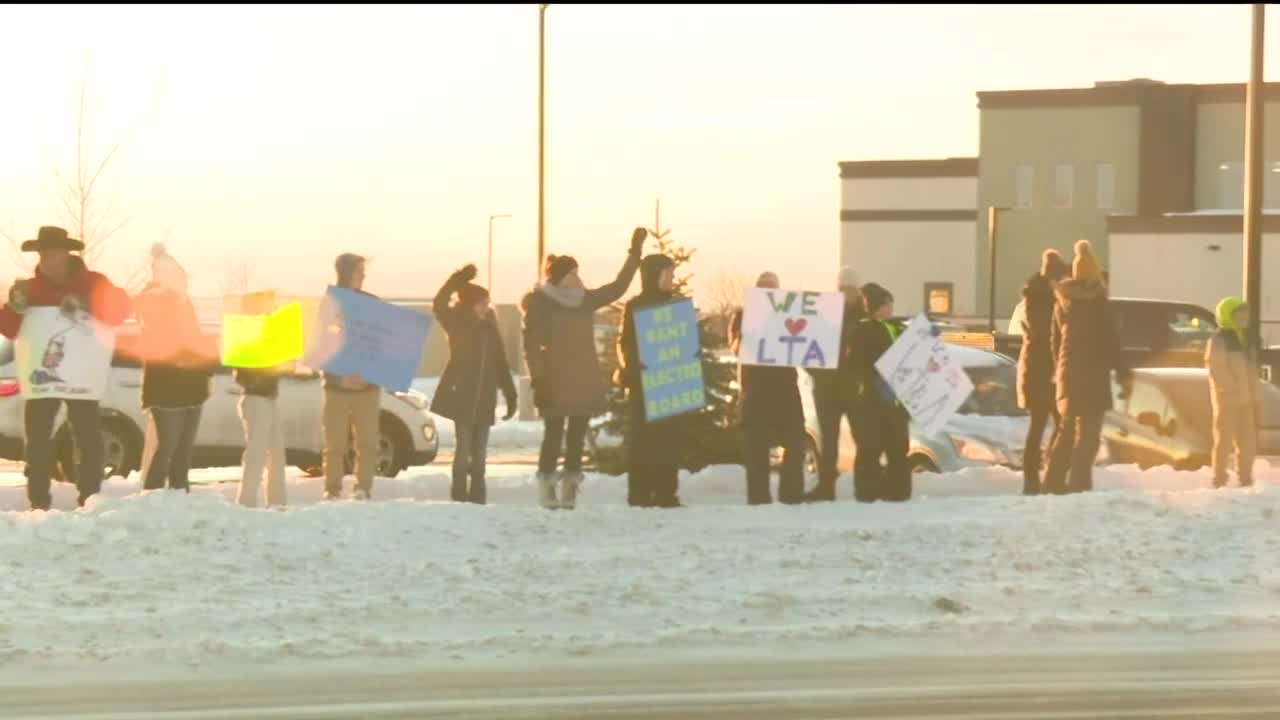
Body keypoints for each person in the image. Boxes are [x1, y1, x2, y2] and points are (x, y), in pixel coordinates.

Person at [0, 226, 132, 510]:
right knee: (37, 439)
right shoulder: (29, 288)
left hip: (81, 377)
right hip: (42, 379)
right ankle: (38, 503)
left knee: (88, 437)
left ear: (66, 253)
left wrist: (89, 303)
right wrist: (14, 306)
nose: (47, 259)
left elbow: (121, 310)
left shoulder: (94, 282)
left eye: (53, 253)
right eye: (43, 254)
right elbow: (8, 330)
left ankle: (90, 499)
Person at [522, 227, 645, 510]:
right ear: (562, 277)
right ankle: (547, 486)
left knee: (577, 433)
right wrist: (539, 380)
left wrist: (634, 253)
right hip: (554, 379)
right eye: (574, 273)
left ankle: (570, 488)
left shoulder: (584, 300)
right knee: (553, 434)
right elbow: (531, 344)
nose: (579, 277)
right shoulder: (541, 304)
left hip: (582, 376)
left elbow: (618, 287)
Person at [1043, 240, 1131, 494]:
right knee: (1089, 436)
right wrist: (1123, 371)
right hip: (1093, 375)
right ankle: (1079, 486)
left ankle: (1052, 483)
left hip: (1068, 374)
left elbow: (1055, 341)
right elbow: (1110, 342)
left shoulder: (1063, 302)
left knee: (1067, 431)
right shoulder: (1099, 304)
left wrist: (1060, 368)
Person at [133, 244, 218, 494]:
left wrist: (208, 359)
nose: (183, 281)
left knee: (183, 449)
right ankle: (152, 498)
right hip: (166, 386)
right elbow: (164, 338)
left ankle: (180, 497)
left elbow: (194, 336)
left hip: (192, 384)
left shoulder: (183, 301)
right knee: (168, 445)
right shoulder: (151, 301)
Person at [432, 264, 519, 504]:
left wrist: (511, 395)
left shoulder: (490, 327)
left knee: (480, 455)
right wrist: (455, 280)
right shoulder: (456, 322)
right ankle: (459, 499)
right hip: (463, 395)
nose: (487, 306)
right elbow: (439, 304)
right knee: (463, 453)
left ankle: (478, 499)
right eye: (482, 302)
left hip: (485, 398)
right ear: (471, 304)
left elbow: (500, 362)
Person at [729, 272, 805, 505]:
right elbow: (735, 347)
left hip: (786, 390)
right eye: (764, 288)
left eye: (773, 289)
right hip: (756, 392)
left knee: (795, 442)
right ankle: (759, 497)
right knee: (756, 450)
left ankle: (791, 495)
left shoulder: (789, 315)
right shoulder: (743, 316)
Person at [618, 253, 686, 508]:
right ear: (654, 275)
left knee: (668, 440)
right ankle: (640, 494)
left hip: (669, 383)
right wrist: (633, 370)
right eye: (668, 274)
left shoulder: (675, 306)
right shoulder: (636, 306)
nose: (671, 279)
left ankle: (667, 493)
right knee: (643, 442)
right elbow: (625, 344)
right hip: (643, 384)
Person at [322, 253, 381, 501]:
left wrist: (369, 375)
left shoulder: (372, 303)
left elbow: (380, 344)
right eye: (359, 271)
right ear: (345, 273)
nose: (363, 276)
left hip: (367, 389)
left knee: (368, 443)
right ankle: (332, 489)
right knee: (334, 445)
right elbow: (320, 345)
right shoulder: (330, 304)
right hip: (337, 389)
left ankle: (363, 489)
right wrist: (339, 379)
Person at [805, 266, 865, 502]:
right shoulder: (823, 314)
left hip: (853, 387)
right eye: (842, 288)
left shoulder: (864, 316)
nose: (845, 293)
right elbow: (807, 348)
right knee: (827, 440)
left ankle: (865, 485)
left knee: (863, 438)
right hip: (827, 387)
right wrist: (816, 373)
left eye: (849, 289)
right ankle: (826, 486)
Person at [848, 283, 910, 503]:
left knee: (898, 447)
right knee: (870, 447)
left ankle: (898, 491)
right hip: (873, 400)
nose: (891, 308)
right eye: (887, 304)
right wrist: (874, 381)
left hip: (896, 400)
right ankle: (867, 492)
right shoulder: (863, 330)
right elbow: (857, 365)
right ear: (877, 306)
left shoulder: (897, 328)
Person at [1017, 249, 1070, 495]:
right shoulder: (1038, 301)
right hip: (1040, 374)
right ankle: (1033, 481)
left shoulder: (1042, 299)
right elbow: (1044, 336)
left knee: (1057, 425)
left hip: (1046, 372)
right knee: (1040, 426)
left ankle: (1049, 475)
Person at [234, 293, 289, 509]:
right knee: (257, 452)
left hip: (269, 397)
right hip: (256, 398)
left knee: (276, 452)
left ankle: (277, 501)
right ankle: (246, 501)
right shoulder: (245, 334)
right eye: (268, 305)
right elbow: (244, 374)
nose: (271, 309)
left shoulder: (267, 334)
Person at [1207, 297, 1262, 488]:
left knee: (1248, 442)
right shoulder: (1219, 340)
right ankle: (1219, 478)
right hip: (1227, 400)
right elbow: (1216, 368)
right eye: (1240, 313)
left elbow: (1252, 371)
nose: (1245, 317)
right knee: (1223, 441)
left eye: (1246, 313)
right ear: (1229, 315)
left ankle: (1245, 477)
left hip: (1246, 400)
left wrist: (1255, 395)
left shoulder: (1248, 340)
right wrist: (1231, 389)